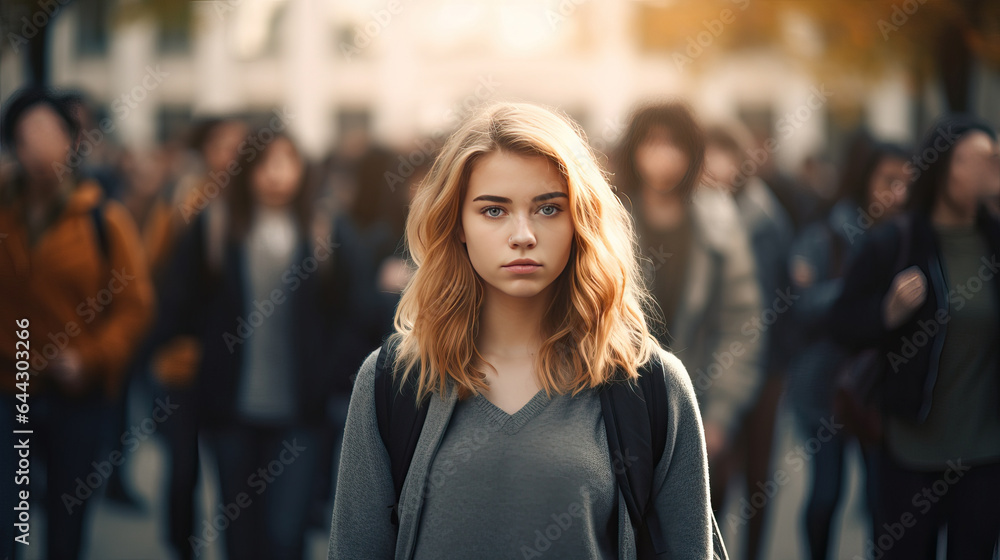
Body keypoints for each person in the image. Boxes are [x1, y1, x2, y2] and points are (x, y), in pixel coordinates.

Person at [328, 102, 723, 559]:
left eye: (548, 209)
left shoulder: (650, 385)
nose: (523, 235)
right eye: (494, 211)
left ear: (580, 220)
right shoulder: (391, 381)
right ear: (457, 224)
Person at [155, 130, 373, 560]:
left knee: (284, 535)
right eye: (265, 163)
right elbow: (177, 301)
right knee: (240, 534)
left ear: (302, 169)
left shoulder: (324, 228)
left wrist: (330, 372)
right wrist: (193, 361)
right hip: (230, 409)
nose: (275, 174)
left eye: (286, 162)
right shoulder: (215, 224)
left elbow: (357, 309)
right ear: (247, 170)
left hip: (301, 412)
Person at [830, 116, 1000, 559]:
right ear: (945, 168)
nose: (989, 167)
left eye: (993, 158)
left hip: (985, 454)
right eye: (977, 158)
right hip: (910, 452)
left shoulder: (996, 242)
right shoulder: (895, 243)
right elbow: (841, 323)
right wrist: (886, 313)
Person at [0, 88, 154, 560]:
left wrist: (90, 357)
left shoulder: (102, 218)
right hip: (11, 391)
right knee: (10, 521)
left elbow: (135, 306)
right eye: (26, 136)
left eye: (50, 132)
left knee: (67, 528)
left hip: (77, 395)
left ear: (72, 142)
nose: (39, 146)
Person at [614, 103, 763, 497]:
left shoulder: (718, 220)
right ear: (633, 149)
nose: (663, 155)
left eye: (674, 144)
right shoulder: (608, 219)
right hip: (618, 410)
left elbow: (742, 322)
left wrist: (719, 416)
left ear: (692, 151)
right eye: (651, 142)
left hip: (696, 407)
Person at [786, 141, 911, 560]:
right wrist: (862, 293)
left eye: (907, 183)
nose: (897, 194)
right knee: (826, 495)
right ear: (864, 179)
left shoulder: (913, 236)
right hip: (824, 388)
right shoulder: (826, 233)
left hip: (882, 388)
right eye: (888, 181)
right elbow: (799, 306)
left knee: (882, 502)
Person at [704, 121, 794, 560]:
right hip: (714, 361)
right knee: (712, 469)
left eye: (724, 154)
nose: (714, 165)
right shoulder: (699, 212)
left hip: (767, 363)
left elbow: (781, 296)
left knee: (757, 473)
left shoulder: (764, 216)